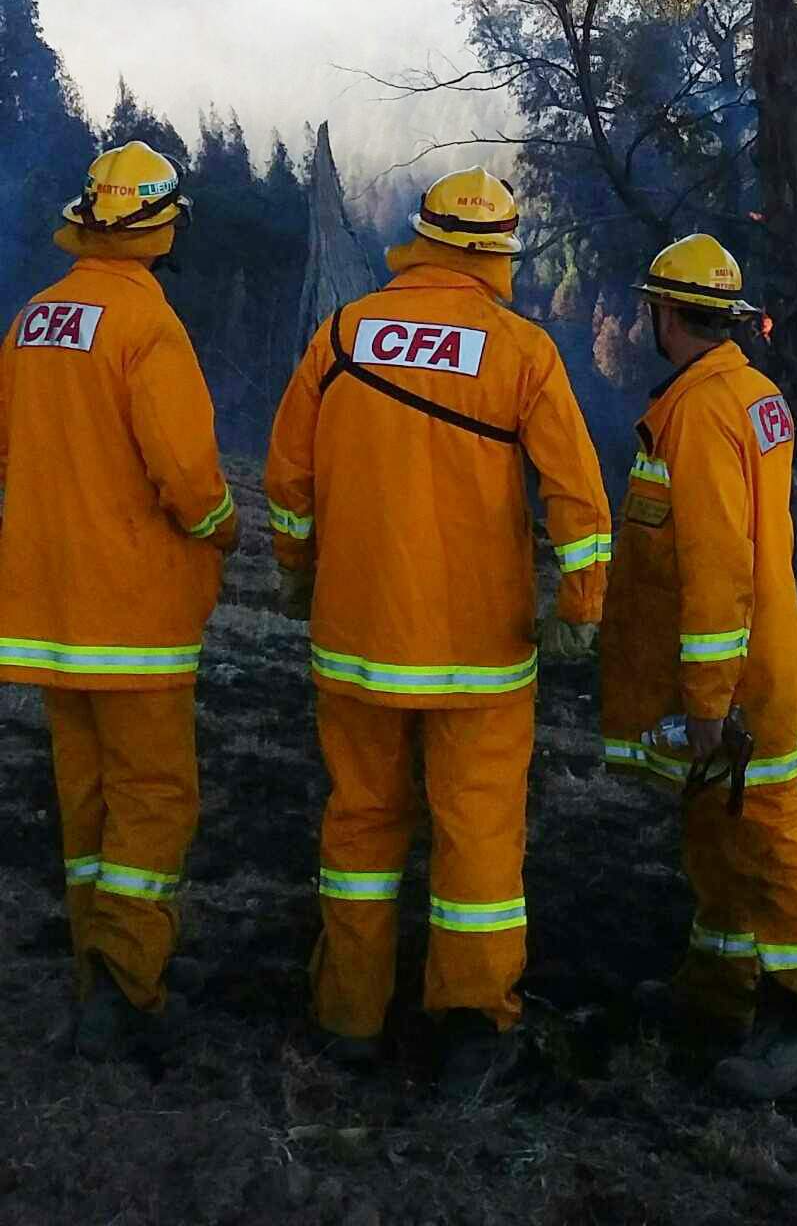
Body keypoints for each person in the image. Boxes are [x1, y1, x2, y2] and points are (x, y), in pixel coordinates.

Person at [264, 165, 611, 1091]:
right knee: (478, 838)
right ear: (498, 253)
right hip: (480, 653)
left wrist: (300, 578)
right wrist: (581, 607)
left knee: (362, 825)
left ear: (419, 240)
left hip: (356, 639)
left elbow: (288, 480)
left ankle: (347, 1016)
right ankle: (470, 1028)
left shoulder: (342, 334)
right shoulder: (521, 349)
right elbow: (577, 494)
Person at [0, 143, 238, 1060]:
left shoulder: (34, 317)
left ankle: (89, 969)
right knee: (153, 802)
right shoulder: (147, 325)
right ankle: (127, 989)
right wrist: (222, 531)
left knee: (86, 802)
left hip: (48, 614)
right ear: (164, 224)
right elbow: (186, 478)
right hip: (133, 621)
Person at [600, 234, 797, 1101]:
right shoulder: (752, 392)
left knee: (770, 845)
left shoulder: (701, 411)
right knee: (718, 838)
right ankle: (715, 997)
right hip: (762, 666)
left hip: (736, 688)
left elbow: (713, 562)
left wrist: (706, 696)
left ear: (664, 314)